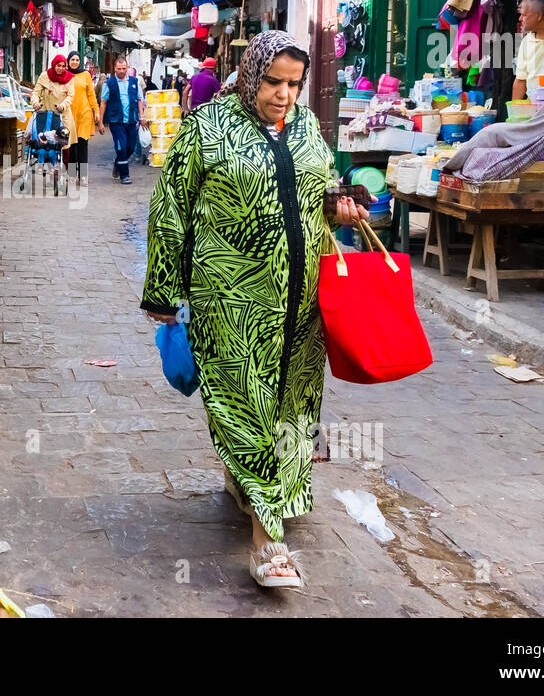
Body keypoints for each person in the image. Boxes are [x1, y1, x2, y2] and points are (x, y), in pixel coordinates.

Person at [141, 30, 367, 590]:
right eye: (273, 81)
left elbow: (314, 198)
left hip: (302, 302)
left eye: (294, 84)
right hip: (231, 302)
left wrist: (340, 210)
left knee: (291, 406)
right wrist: (162, 292)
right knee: (245, 404)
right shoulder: (207, 129)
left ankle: (254, 485)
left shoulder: (310, 128)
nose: (285, 94)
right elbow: (169, 211)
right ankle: (269, 545)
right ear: (249, 75)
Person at [102, 55, 143, 184]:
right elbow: (103, 102)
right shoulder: (109, 84)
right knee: (121, 147)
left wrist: (141, 117)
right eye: (118, 68)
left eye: (123, 68)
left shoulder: (135, 83)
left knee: (130, 147)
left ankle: (118, 163)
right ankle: (124, 175)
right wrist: (100, 122)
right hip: (116, 121)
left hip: (131, 120)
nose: (121, 71)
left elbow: (139, 100)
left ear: (127, 68)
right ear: (114, 68)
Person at [66, 51, 103, 186]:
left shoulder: (86, 75)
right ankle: (71, 175)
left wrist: (96, 111)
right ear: (68, 61)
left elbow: (91, 95)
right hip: (69, 115)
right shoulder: (65, 75)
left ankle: (83, 176)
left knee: (83, 145)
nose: (75, 62)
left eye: (77, 60)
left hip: (84, 114)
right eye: (72, 60)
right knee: (72, 146)